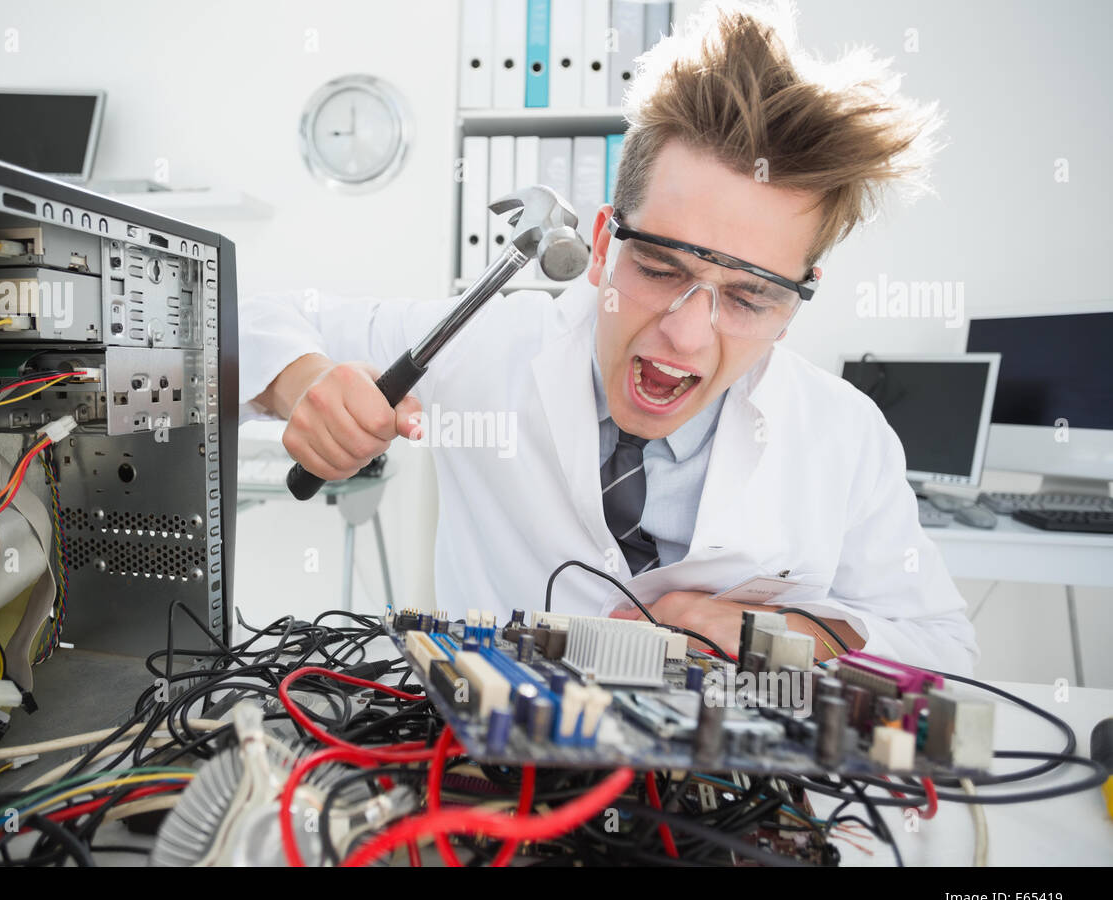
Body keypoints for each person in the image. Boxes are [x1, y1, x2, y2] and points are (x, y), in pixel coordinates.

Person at [240, 0, 976, 674]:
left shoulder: (845, 436)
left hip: (731, 800)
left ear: (793, 307)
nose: (686, 334)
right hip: (491, 778)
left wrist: (785, 633)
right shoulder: (483, 342)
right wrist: (301, 381)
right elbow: (237, 313)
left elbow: (948, 649)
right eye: (658, 267)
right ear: (600, 247)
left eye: (749, 297)